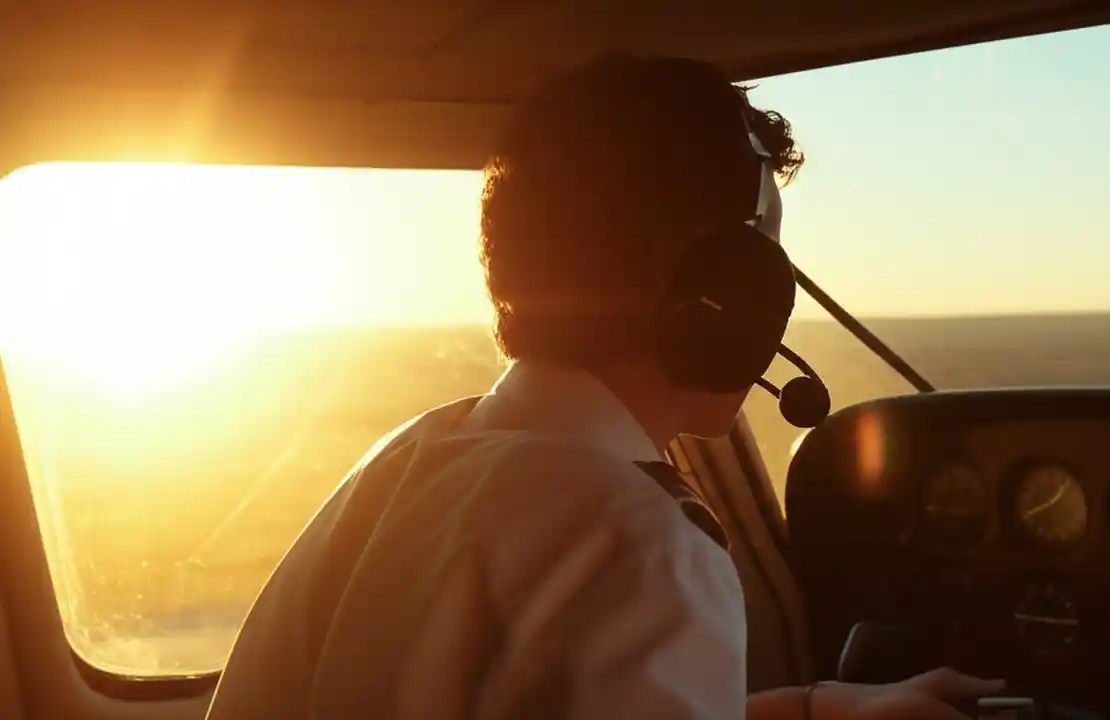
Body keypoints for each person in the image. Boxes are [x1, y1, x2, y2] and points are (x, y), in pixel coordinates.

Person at [204, 54, 1002, 719]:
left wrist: (819, 706)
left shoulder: (406, 464)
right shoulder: (640, 546)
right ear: (724, 290)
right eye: (766, 266)